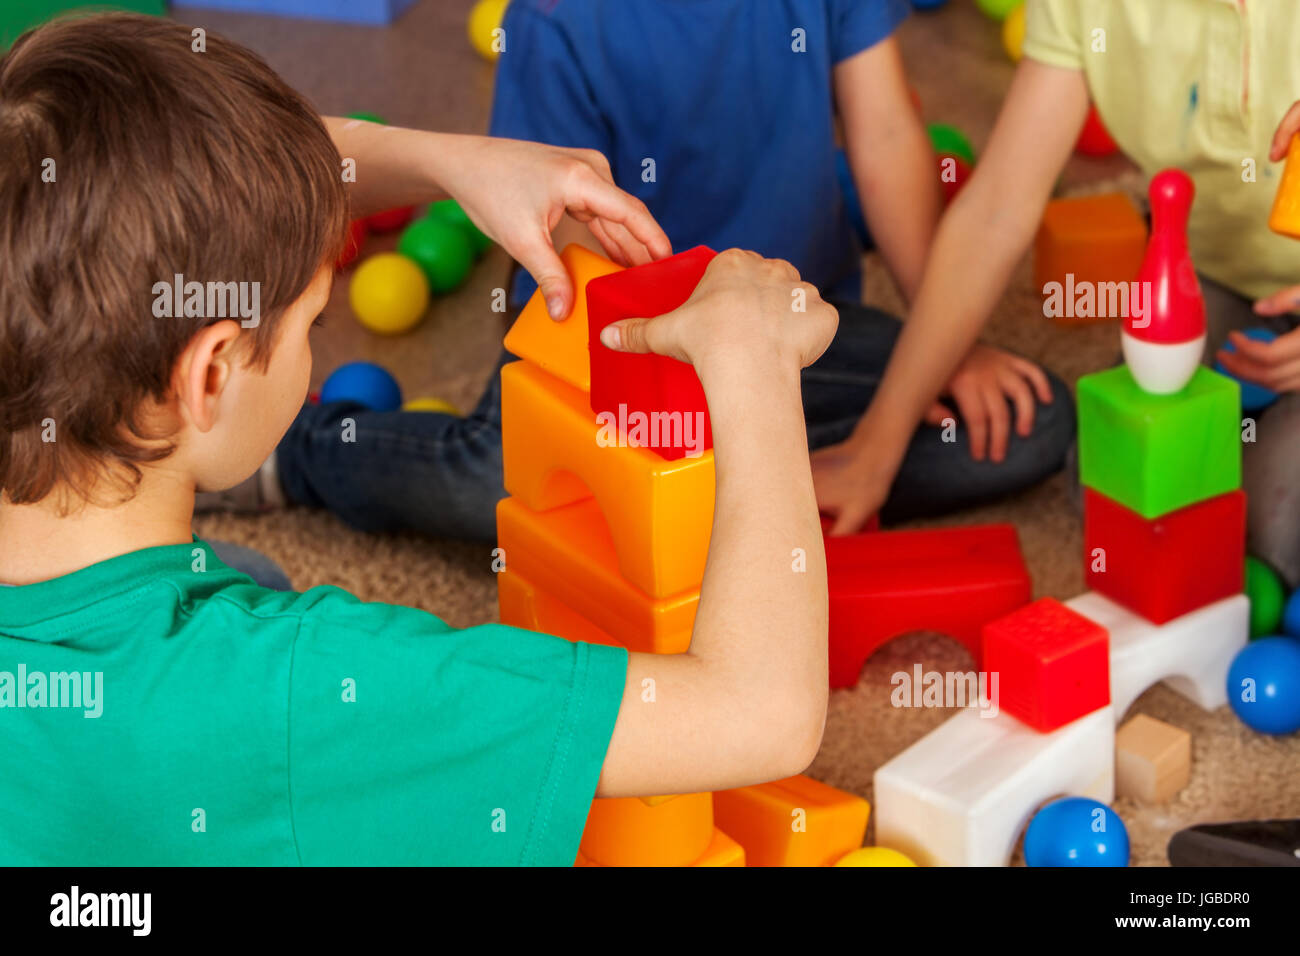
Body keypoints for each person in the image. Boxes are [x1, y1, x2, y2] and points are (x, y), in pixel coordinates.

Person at [0, 13, 835, 865]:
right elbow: (761, 715)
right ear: (211, 376)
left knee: (239, 570)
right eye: (313, 322)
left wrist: (451, 162)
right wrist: (756, 366)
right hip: (231, 732)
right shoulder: (312, 688)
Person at [487, 0, 1075, 530]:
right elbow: (565, 238)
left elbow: (888, 138)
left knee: (1027, 421)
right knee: (509, 485)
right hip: (630, 359)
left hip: (791, 334)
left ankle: (735, 492)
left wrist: (949, 339)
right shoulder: (552, 20)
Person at [814, 0, 1300, 580]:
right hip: (1217, 276)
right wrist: (877, 443)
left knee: (1282, 530)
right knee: (1126, 485)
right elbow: (997, 208)